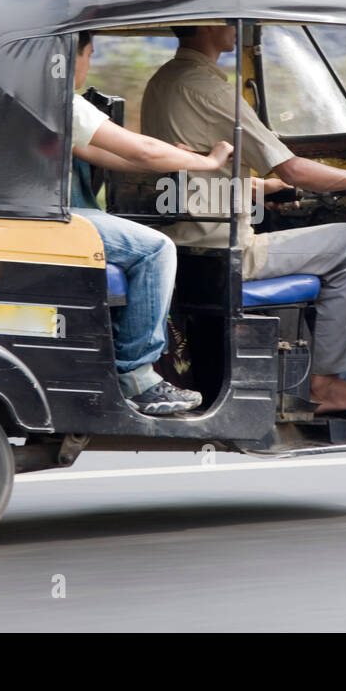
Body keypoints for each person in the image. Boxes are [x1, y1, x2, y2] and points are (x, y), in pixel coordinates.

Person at [141, 24, 346, 413]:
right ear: (210, 24)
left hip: (186, 245)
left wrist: (270, 189)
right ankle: (324, 384)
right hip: (225, 250)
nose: (237, 30)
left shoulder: (163, 82)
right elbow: (295, 169)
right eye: (230, 21)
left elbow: (194, 175)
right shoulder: (210, 89)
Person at [69, 31, 234, 416]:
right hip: (60, 219)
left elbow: (115, 154)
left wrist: (174, 158)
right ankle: (138, 376)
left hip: (50, 215)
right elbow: (141, 148)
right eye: (89, 55)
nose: (88, 65)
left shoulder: (33, 96)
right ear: (70, 56)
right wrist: (209, 162)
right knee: (156, 248)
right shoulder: (61, 100)